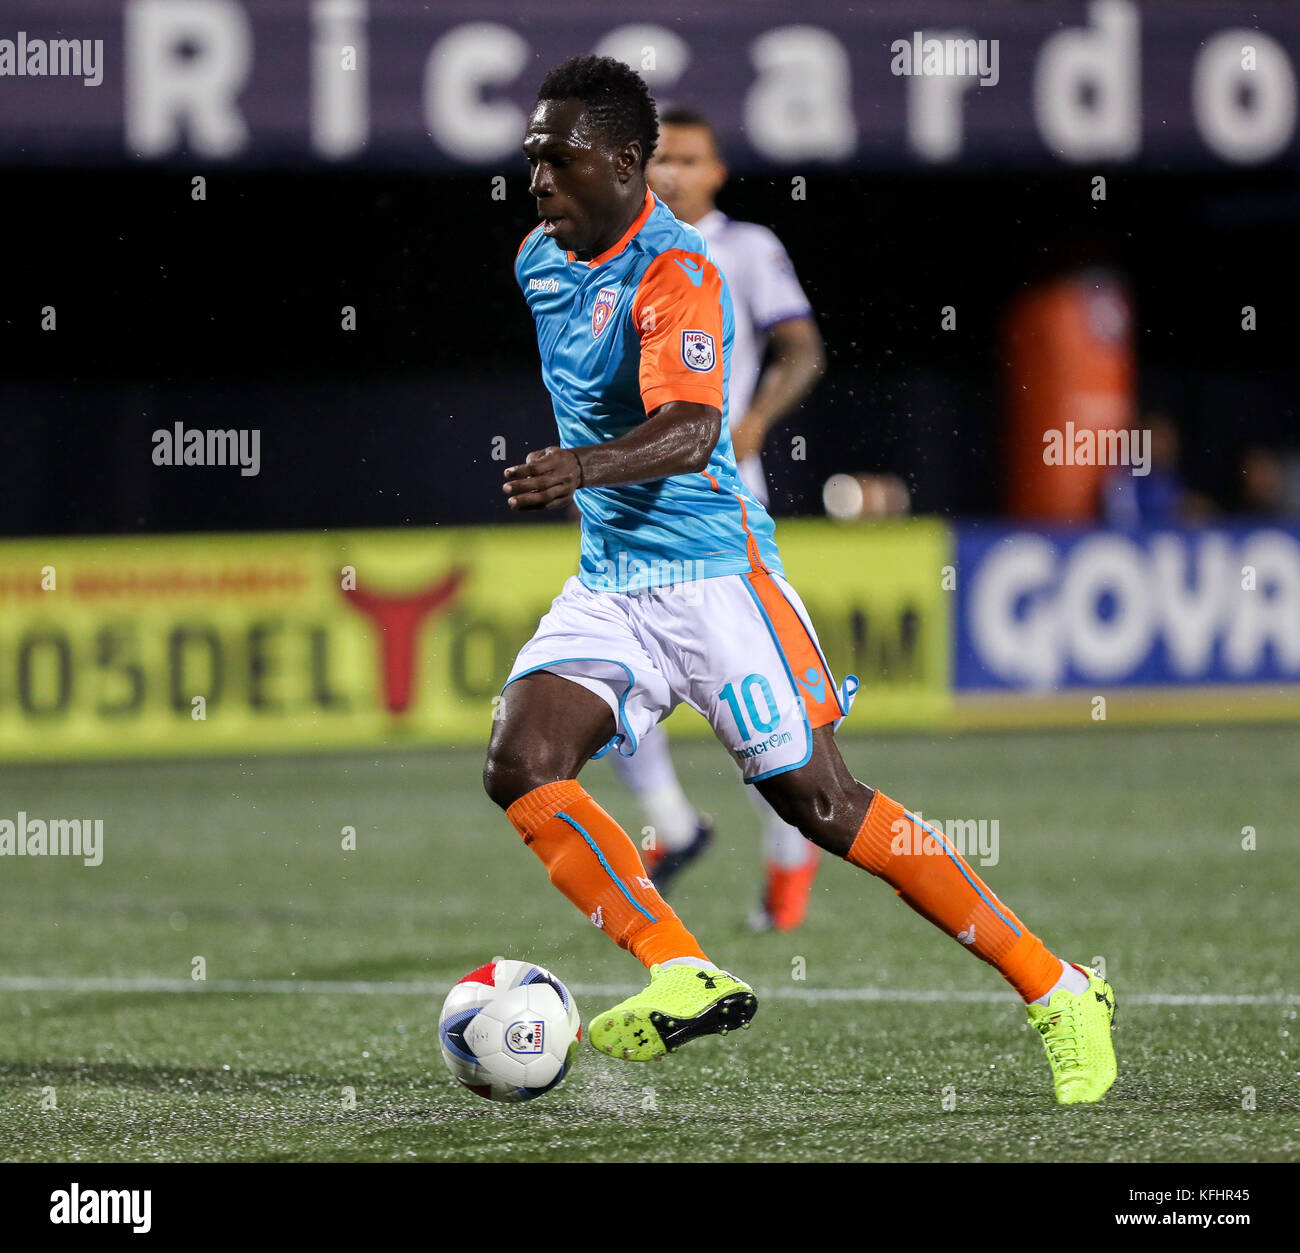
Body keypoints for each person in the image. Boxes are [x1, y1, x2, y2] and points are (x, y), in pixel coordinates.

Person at [484, 55, 1116, 1104]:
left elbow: (693, 430)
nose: (538, 174)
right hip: (610, 582)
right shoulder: (537, 260)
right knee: (521, 756)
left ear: (628, 164)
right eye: (530, 156)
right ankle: (679, 962)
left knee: (821, 800)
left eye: (560, 155)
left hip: (717, 578)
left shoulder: (679, 270)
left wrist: (583, 466)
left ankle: (1058, 988)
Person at [598, 107, 827, 932]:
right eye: (658, 160)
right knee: (611, 680)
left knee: (750, 708)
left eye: (688, 160)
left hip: (723, 505)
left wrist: (759, 419)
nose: (670, 174)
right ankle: (674, 822)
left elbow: (802, 345)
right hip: (631, 503)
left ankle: (790, 860)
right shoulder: (618, 248)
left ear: (717, 171)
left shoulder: (746, 248)